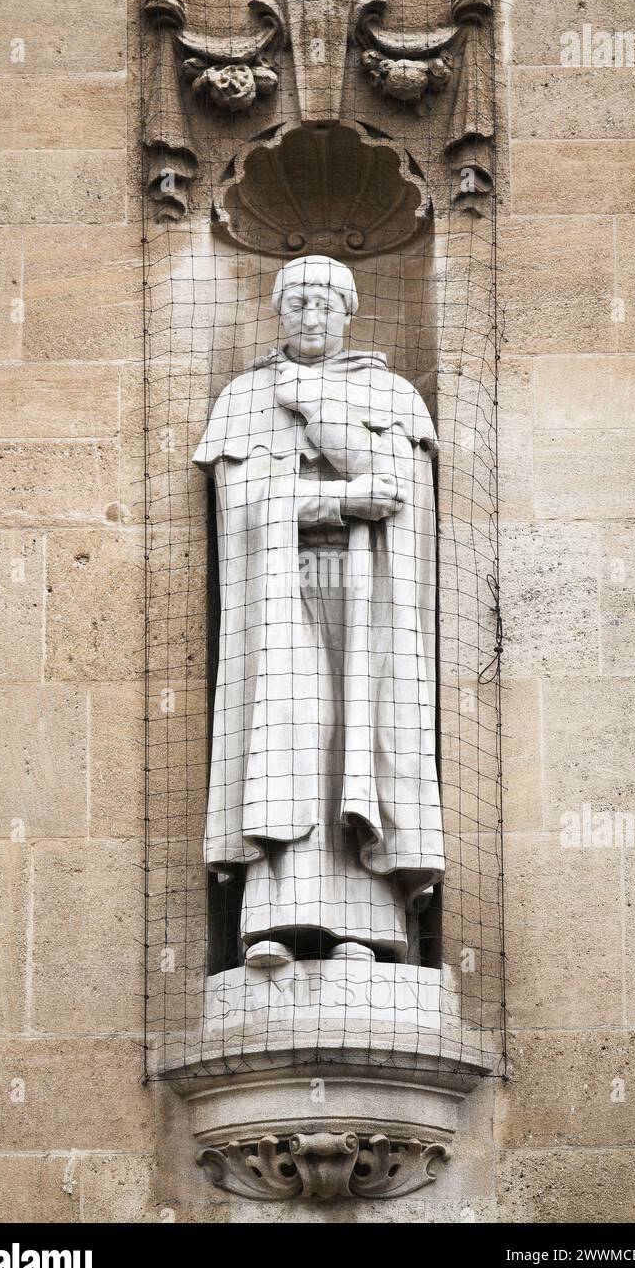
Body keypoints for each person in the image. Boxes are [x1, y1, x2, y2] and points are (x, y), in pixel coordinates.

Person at [193, 255, 445, 969]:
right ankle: (272, 924)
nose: (310, 318)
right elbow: (241, 510)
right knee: (288, 737)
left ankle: (366, 931)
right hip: (280, 593)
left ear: (347, 314)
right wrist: (335, 499)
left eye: (324, 306)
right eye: (297, 305)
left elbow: (400, 491)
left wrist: (317, 410)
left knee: (358, 735)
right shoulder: (246, 398)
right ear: (279, 313)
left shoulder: (392, 394)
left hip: (365, 593)